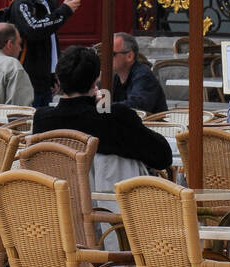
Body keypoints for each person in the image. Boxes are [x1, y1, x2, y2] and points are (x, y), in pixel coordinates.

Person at [33, 45, 172, 174]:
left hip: (56, 197)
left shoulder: (42, 120)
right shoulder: (115, 118)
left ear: (58, 80)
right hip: (109, 198)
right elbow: (163, 157)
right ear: (95, 81)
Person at [7, 0, 81, 109]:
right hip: (29, 79)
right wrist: (64, 12)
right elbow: (33, 29)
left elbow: (50, 39)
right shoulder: (21, 2)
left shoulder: (45, 0)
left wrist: (53, 74)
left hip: (44, 79)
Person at [112, 32, 166, 115]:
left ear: (129, 56)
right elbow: (100, 98)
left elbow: (137, 106)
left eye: (112, 54)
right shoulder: (113, 77)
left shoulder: (143, 75)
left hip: (153, 126)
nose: (106, 57)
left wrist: (106, 107)